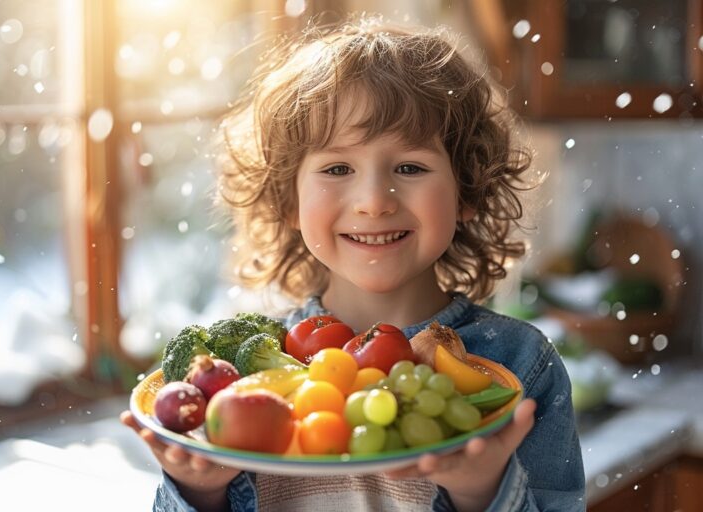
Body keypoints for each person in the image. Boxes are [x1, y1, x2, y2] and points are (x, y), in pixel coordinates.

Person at [121, 16, 585, 512]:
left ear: (467, 189)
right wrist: (197, 491)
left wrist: (482, 491)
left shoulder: (520, 366)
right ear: (289, 202)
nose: (373, 201)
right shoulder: (241, 377)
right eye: (337, 168)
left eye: (410, 167)